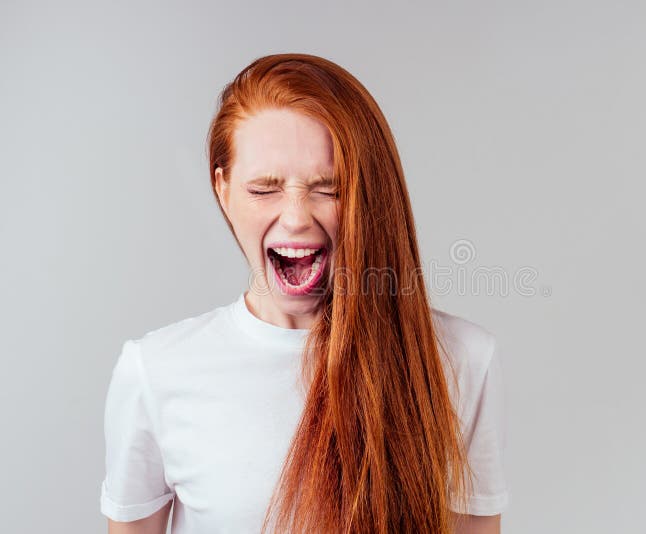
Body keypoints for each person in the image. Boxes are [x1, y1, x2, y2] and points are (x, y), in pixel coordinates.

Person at [100, 53, 510, 534]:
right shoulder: (154, 371)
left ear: (369, 196)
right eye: (263, 189)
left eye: (329, 189)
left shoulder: (461, 360)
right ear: (223, 190)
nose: (296, 217)